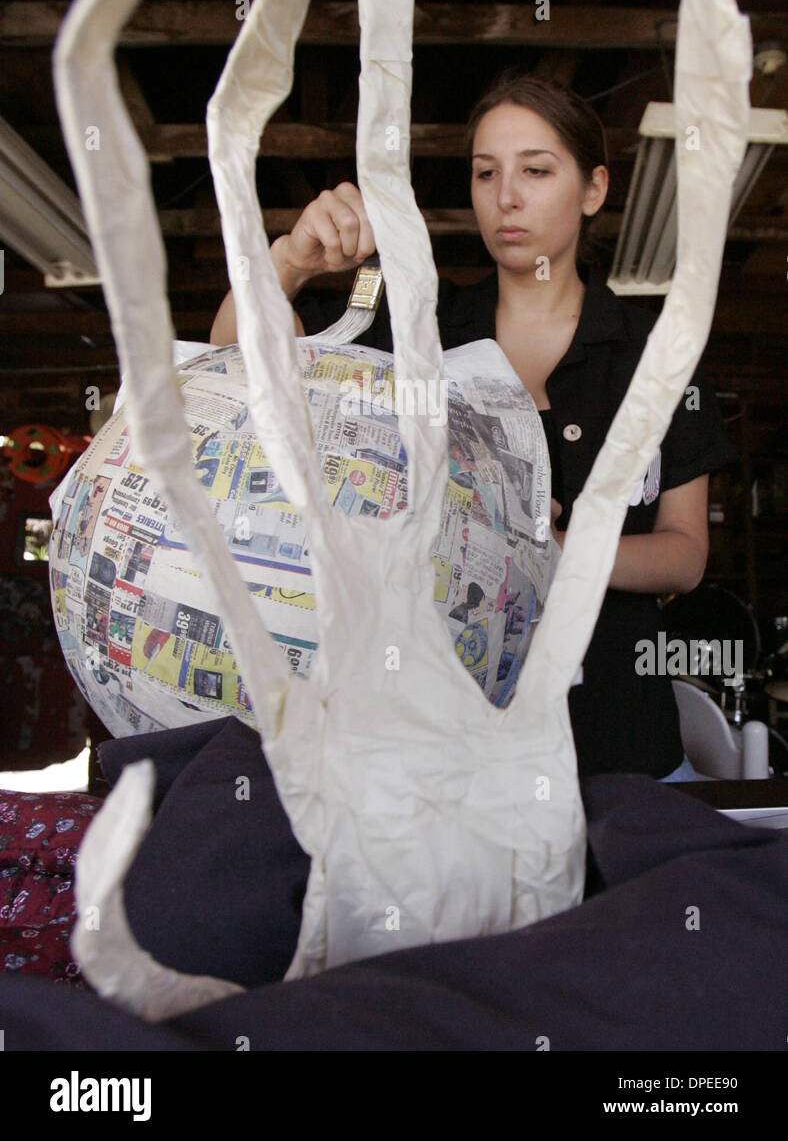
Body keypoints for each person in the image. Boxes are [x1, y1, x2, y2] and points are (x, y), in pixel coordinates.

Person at [210, 72, 738, 779]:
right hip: (438, 751)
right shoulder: (416, 332)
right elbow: (236, 380)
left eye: (536, 171)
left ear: (594, 189)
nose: (506, 197)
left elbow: (684, 552)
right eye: (486, 173)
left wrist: (544, 551)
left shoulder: (656, 356)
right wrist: (288, 264)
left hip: (616, 744)